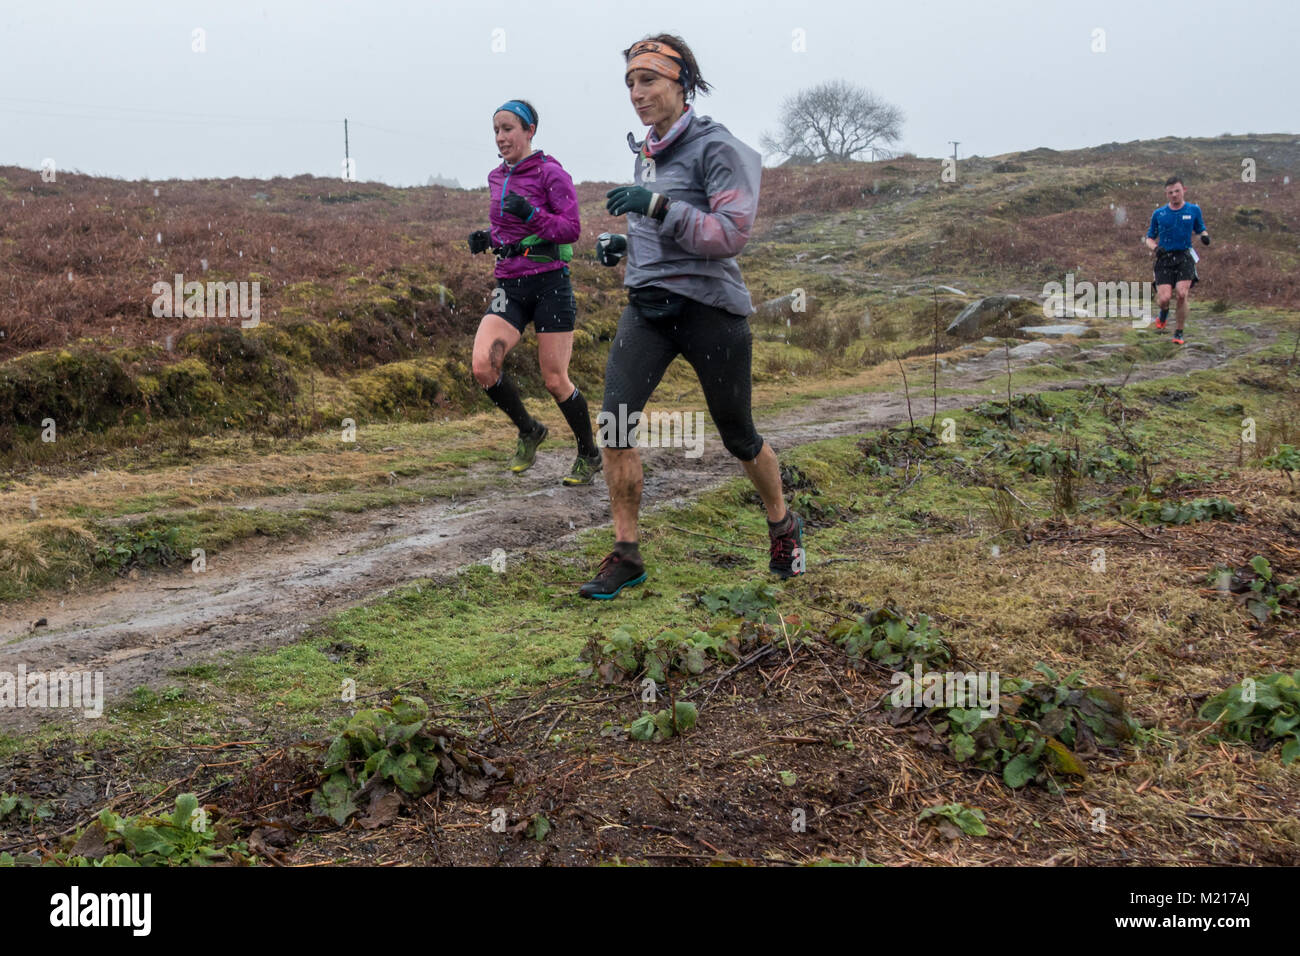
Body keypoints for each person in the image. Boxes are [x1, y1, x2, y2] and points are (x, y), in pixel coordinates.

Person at [578, 34, 804, 600]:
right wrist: (623, 244)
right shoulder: (646, 151)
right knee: (615, 423)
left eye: (648, 80)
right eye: (630, 82)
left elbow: (729, 235)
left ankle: (783, 524)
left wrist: (656, 207)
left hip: (710, 311)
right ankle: (627, 553)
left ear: (682, 82)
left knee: (737, 434)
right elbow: (662, 231)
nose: (637, 92)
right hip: (649, 310)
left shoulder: (717, 148)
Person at [467, 99, 602, 485]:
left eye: (508, 128)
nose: (501, 137)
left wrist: (530, 214)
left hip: (550, 285)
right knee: (483, 366)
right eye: (496, 130)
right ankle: (529, 429)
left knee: (555, 379)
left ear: (529, 131)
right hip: (510, 283)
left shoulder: (551, 173)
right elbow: (507, 231)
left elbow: (570, 229)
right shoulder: (496, 176)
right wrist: (488, 237)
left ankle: (588, 454)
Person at [1145, 176, 1210, 345]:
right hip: (1164, 258)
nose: (1174, 195)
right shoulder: (1159, 214)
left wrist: (1204, 237)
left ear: (1184, 190)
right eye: (1170, 192)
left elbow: (1201, 229)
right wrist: (1155, 248)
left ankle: (1179, 332)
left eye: (1177, 191)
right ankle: (1163, 313)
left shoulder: (1193, 210)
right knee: (1164, 298)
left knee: (1182, 294)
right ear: (1166, 194)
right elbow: (1149, 238)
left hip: (1184, 257)